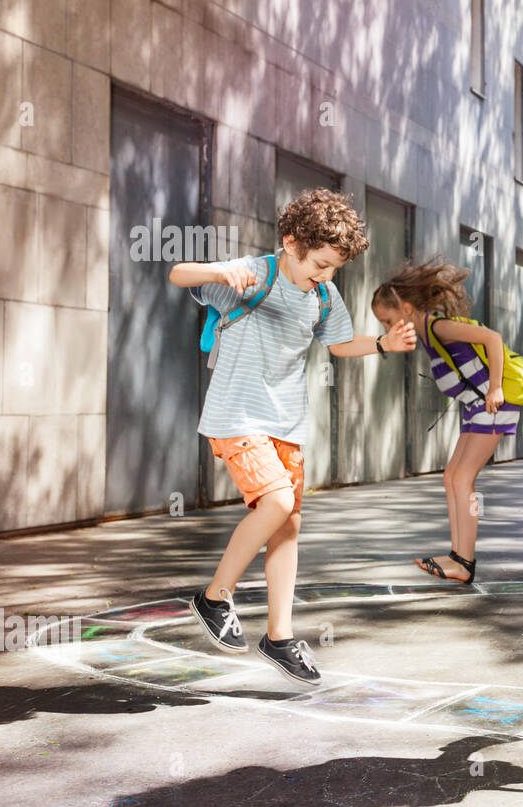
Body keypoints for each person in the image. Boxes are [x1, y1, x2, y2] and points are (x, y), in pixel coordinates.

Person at [168, 189, 416, 684]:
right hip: (237, 416)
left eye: (333, 269)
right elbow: (178, 274)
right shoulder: (253, 275)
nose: (326, 276)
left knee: (287, 525)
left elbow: (340, 343)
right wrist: (219, 272)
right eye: (320, 264)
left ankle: (279, 636)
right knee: (277, 502)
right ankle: (214, 596)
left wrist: (383, 344)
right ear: (291, 242)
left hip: (286, 423)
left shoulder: (322, 295)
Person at [371, 257, 520, 584]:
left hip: (494, 405)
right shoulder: (426, 332)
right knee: (452, 475)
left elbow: (492, 338)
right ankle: (457, 556)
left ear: (407, 308)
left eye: (388, 320)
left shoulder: (438, 326)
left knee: (463, 477)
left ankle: (464, 561)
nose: (388, 328)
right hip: (476, 408)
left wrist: (495, 387)